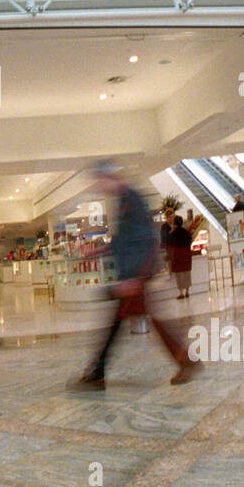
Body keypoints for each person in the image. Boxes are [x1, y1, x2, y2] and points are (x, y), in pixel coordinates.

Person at [73, 162, 201, 390]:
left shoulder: (131, 199)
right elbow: (125, 239)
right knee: (119, 322)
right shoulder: (123, 201)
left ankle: (186, 361)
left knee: (132, 322)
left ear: (109, 177)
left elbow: (145, 239)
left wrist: (136, 278)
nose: (99, 186)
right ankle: (98, 371)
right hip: (132, 275)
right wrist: (101, 250)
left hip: (136, 276)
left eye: (100, 181)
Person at [166, 215, 194, 299]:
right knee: (186, 274)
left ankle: (181, 292)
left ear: (174, 223)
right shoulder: (186, 232)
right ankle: (187, 292)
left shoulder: (172, 233)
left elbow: (169, 244)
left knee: (179, 275)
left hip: (177, 256)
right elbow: (190, 242)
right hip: (186, 255)